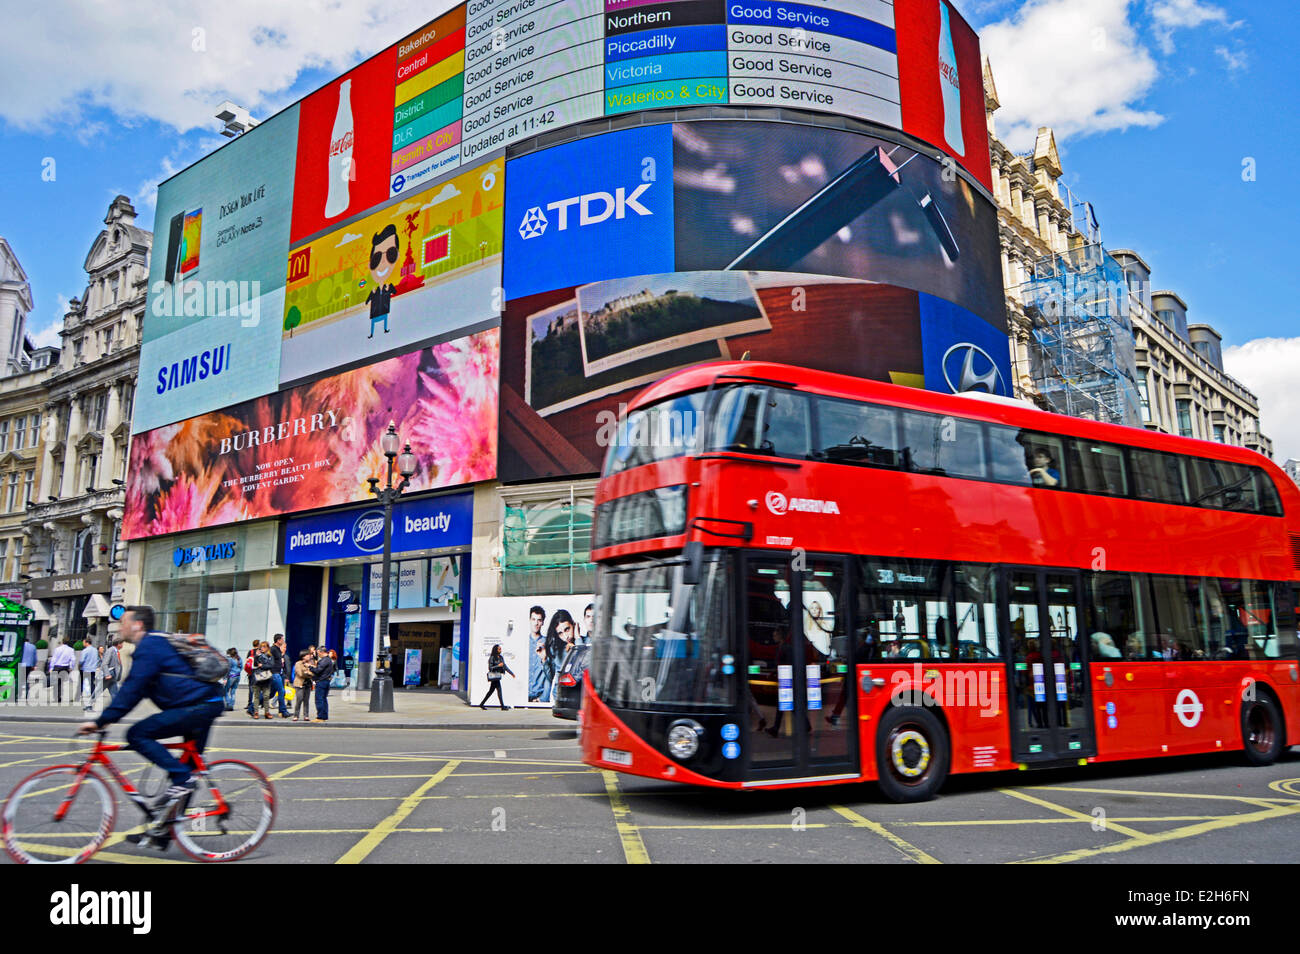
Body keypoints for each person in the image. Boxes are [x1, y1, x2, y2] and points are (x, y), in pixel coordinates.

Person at [76, 606, 225, 835]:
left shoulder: (150, 647)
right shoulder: (155, 644)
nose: (120, 627)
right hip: (202, 703)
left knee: (137, 734)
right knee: (186, 771)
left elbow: (133, 689)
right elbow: (138, 690)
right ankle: (163, 832)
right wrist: (108, 718)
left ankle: (181, 782)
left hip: (199, 706)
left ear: (138, 625)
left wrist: (101, 721)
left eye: (123, 622)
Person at [478, 644, 514, 710]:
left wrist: (511, 673)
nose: (500, 650)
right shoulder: (492, 658)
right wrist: (498, 665)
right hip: (494, 676)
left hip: (497, 676)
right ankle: (502, 706)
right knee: (499, 691)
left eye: (500, 649)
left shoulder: (501, 657)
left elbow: (504, 666)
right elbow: (490, 668)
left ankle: (482, 704)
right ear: (496, 650)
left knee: (491, 691)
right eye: (499, 649)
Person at [526, 606, 549, 703]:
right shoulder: (523, 642)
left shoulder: (548, 643)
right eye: (533, 619)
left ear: (543, 622)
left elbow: (550, 673)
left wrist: (543, 698)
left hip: (539, 698)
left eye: (539, 620)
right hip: (522, 697)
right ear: (529, 620)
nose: (536, 623)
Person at [251, 642, 276, 719]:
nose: (262, 648)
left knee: (266, 696)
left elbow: (271, 665)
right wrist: (256, 656)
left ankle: (267, 712)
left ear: (268, 648)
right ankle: (256, 712)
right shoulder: (257, 656)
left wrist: (262, 665)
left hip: (267, 679)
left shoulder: (270, 656)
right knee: (256, 696)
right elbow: (255, 664)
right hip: (257, 678)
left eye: (264, 647)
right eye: (261, 647)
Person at [49, 637, 75, 705]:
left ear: (62, 642)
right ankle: (59, 696)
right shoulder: (71, 650)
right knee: (61, 682)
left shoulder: (57, 649)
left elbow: (54, 659)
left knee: (55, 683)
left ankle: (56, 697)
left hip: (57, 666)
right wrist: (71, 667)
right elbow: (73, 659)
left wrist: (51, 667)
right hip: (65, 667)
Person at [312, 648, 336, 721]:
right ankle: (324, 716)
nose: (318, 655)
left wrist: (310, 667)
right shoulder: (328, 660)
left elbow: (318, 670)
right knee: (323, 699)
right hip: (326, 681)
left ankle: (320, 717)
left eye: (318, 653)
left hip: (321, 681)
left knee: (319, 700)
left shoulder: (324, 660)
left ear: (321, 652)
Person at [270, 634, 290, 719]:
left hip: (280, 674)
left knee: (271, 693)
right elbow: (270, 661)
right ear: (278, 640)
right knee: (281, 691)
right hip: (275, 674)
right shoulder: (273, 649)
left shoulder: (278, 650)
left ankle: (252, 707)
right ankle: (283, 711)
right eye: (282, 639)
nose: (283, 640)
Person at [293, 648, 315, 721]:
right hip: (299, 684)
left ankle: (306, 715)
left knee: (306, 700)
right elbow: (300, 674)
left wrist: (308, 672)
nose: (309, 656)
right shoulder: (298, 663)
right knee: (299, 700)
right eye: (308, 655)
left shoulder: (310, 664)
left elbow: (313, 673)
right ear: (303, 656)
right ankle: (296, 715)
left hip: (308, 684)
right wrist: (308, 672)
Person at [79, 640, 100, 711]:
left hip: (86, 669)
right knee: (92, 684)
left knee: (85, 684)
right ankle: (92, 698)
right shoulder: (95, 650)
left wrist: (79, 666)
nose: (83, 643)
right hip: (93, 669)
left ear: (86, 643)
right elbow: (97, 659)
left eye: (83, 642)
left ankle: (87, 700)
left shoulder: (85, 651)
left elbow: (81, 660)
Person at [243, 640, 260, 716]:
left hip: (251, 672)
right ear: (258, 644)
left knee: (250, 688)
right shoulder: (260, 651)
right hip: (258, 671)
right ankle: (256, 703)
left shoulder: (250, 652)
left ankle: (249, 703)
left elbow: (247, 661)